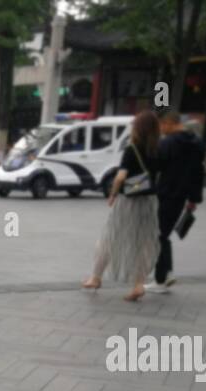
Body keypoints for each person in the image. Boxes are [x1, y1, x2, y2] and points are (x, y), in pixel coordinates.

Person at [82, 110, 160, 302]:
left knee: (109, 237)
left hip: (129, 202)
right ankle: (139, 284)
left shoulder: (131, 148)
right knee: (143, 243)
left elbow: (121, 176)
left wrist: (113, 194)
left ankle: (96, 277)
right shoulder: (158, 149)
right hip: (150, 201)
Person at [147, 110, 204, 293]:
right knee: (163, 234)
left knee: (159, 235)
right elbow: (198, 173)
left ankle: (162, 278)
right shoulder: (197, 143)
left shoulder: (168, 142)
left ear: (168, 123)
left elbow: (155, 166)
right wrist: (194, 199)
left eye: (161, 126)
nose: (161, 131)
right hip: (182, 197)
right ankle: (166, 274)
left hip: (166, 194)